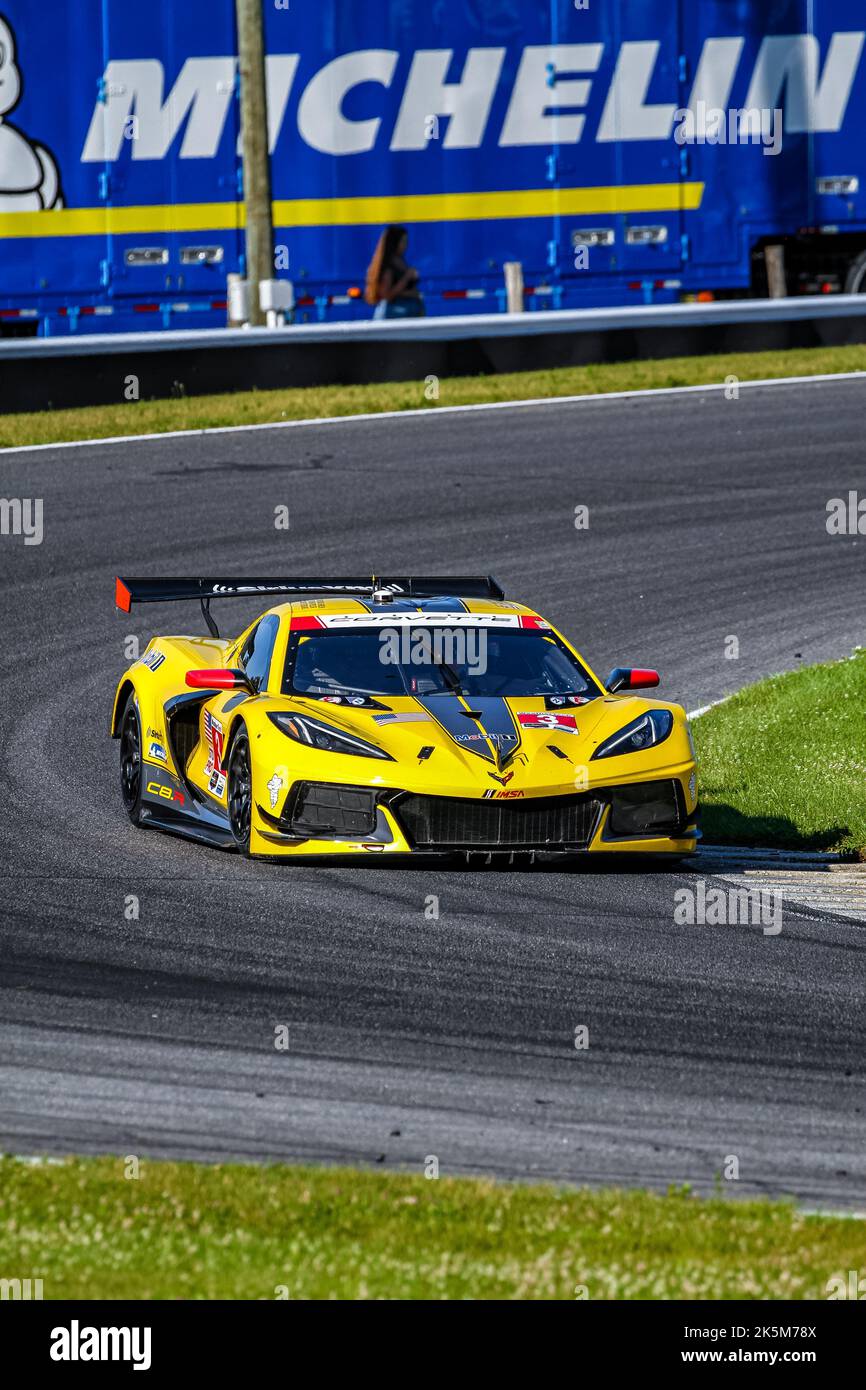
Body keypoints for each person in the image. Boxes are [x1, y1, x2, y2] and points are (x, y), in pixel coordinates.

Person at [365, 225, 425, 319]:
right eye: (403, 241)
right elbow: (387, 295)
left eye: (406, 241)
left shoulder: (401, 260)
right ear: (394, 242)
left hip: (409, 311)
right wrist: (407, 277)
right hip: (394, 311)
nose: (406, 245)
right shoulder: (387, 266)